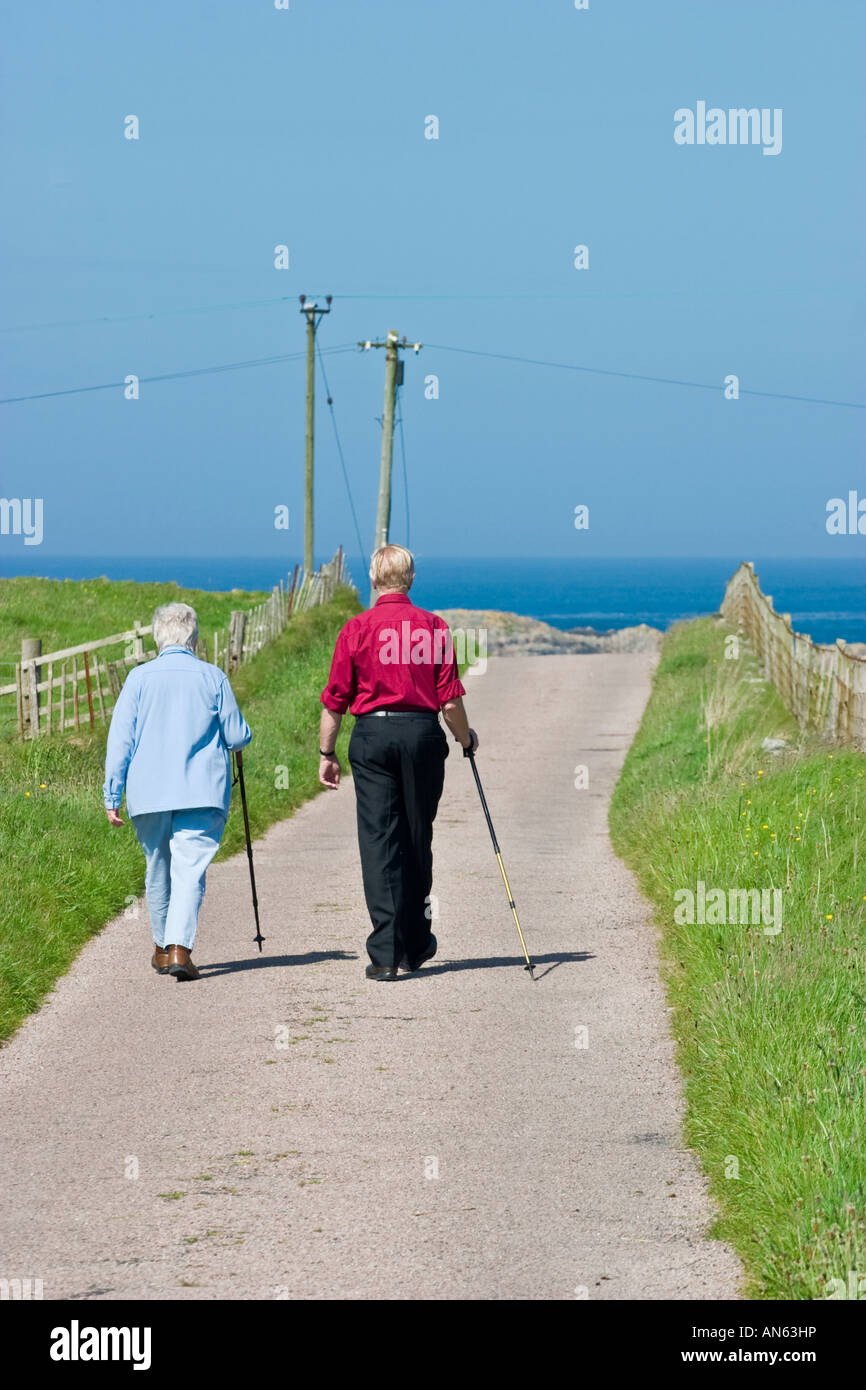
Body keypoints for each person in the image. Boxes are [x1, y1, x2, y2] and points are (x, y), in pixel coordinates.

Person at [319, 545, 478, 981]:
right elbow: (449, 702)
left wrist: (327, 754)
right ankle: (417, 939)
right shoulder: (433, 628)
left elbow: (335, 700)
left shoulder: (356, 629)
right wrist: (466, 739)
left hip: (372, 736)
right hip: (423, 735)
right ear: (410, 580)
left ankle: (386, 953)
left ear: (373, 581)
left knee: (379, 843)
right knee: (416, 836)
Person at [103, 602, 252, 980]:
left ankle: (162, 946)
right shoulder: (212, 677)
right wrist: (244, 735)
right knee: (189, 870)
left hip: (148, 793)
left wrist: (111, 794)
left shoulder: (138, 679)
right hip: (201, 791)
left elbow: (120, 741)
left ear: (158, 637)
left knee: (159, 868)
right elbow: (236, 736)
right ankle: (178, 950)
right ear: (194, 638)